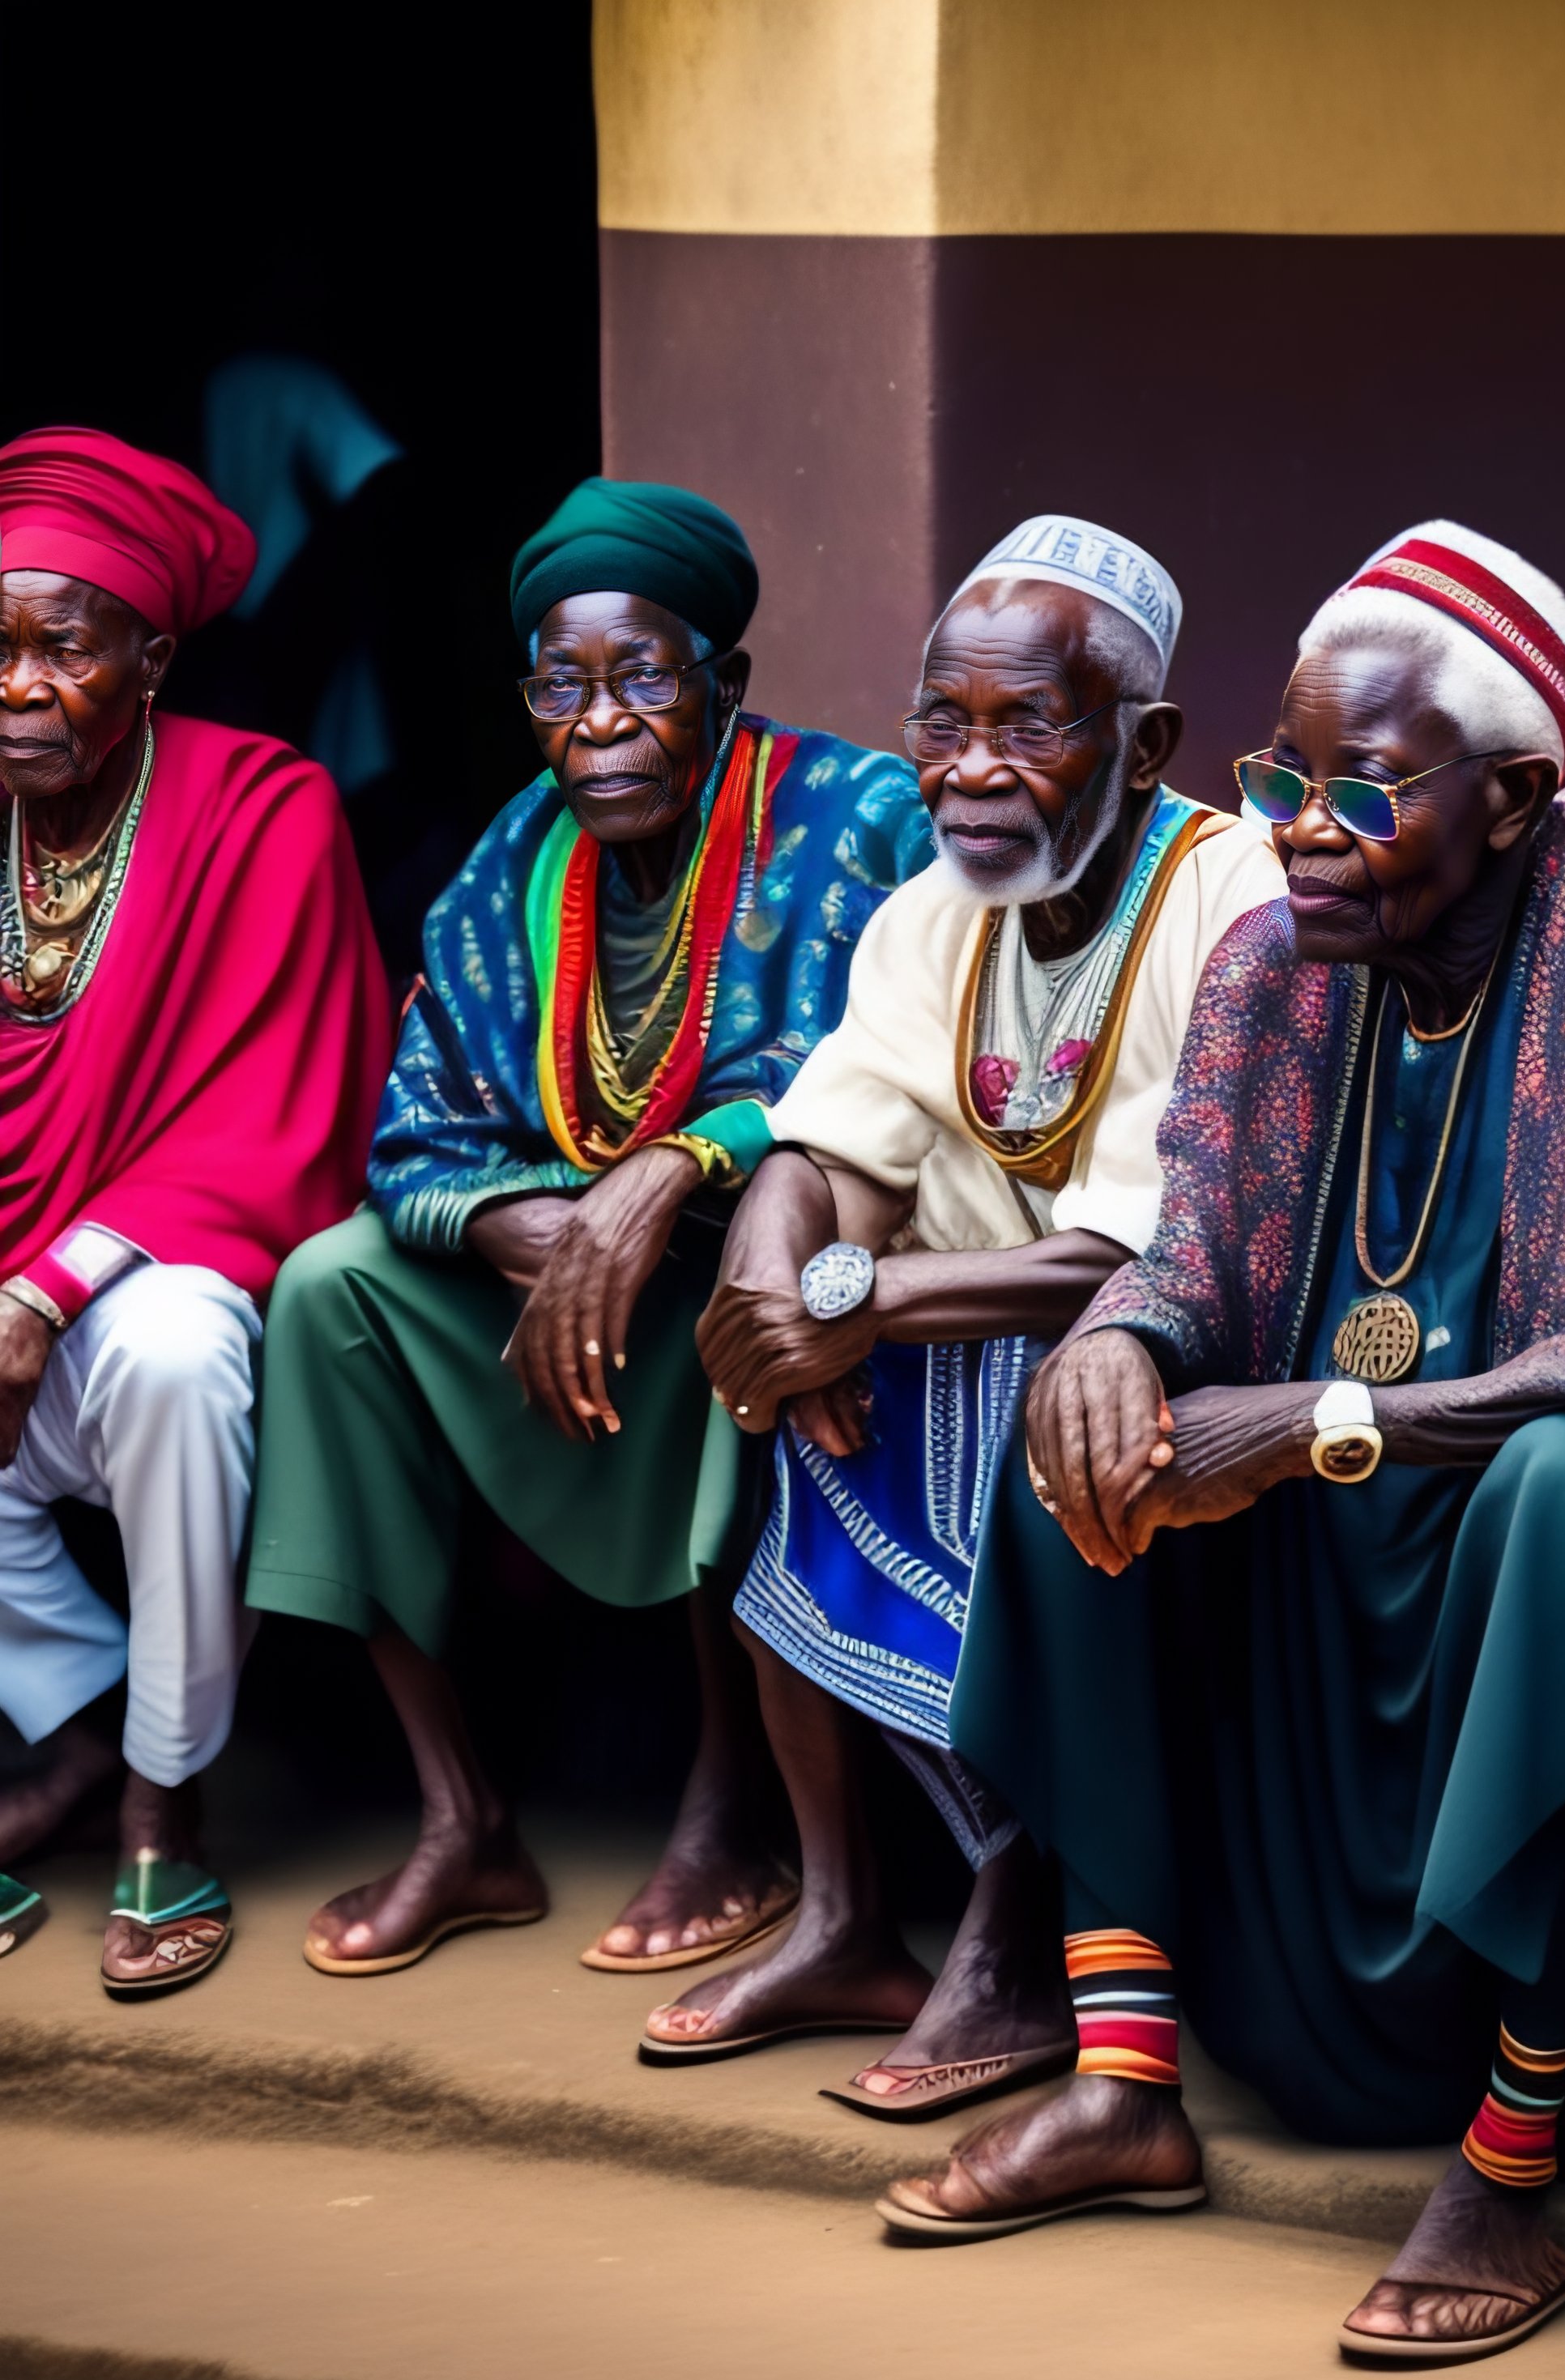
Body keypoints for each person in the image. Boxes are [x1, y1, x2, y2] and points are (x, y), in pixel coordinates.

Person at [882, 520, 1565, 2365]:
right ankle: (1129, 2072)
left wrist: (1324, 1420)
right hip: (1311, 1687)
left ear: (1520, 793)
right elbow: (1195, 1259)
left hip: (1534, 1631)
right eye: (1281, 778)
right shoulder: (1276, 964)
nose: (1304, 826)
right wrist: (1123, 1343)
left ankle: (1511, 2151)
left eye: (1367, 791)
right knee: (1087, 1419)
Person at [246, 476, 932, 1978]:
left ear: (724, 684)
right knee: (328, 1290)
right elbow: (412, 1138)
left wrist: (668, 1172)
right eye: (565, 685)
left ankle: (729, 1799)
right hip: (566, 1288)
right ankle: (460, 1812)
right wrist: (531, 1236)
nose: (601, 723)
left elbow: (885, 1062)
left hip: (763, 1268)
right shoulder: (509, 869)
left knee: (748, 1263)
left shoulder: (858, 815)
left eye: (643, 681)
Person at [642, 517, 1284, 2112]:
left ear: (1144, 746)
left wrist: (846, 1301)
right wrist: (770, 1280)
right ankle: (850, 1913)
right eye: (945, 720)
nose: (970, 770)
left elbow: (1149, 1251)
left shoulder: (1237, 899)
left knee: (1014, 1401)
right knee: (772, 1392)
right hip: (948, 1333)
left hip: (1186, 1355)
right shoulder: (930, 912)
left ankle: (1014, 1930)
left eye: (1028, 725)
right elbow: (825, 1142)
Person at [0, 427, 389, 1991]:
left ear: (151, 654)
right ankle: (81, 1734)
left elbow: (281, 1119)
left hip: (154, 1281)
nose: (18, 684)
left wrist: (41, 1290)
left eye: (62, 647)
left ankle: (165, 1790)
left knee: (169, 1353)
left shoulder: (262, 805)